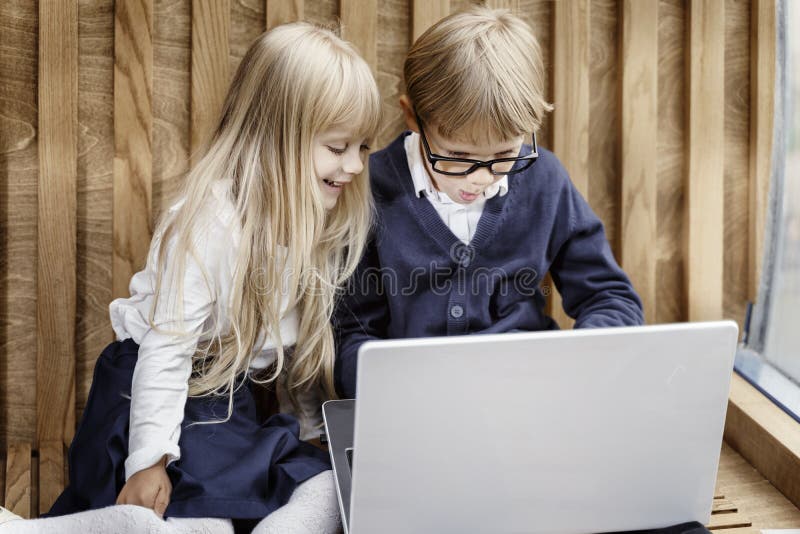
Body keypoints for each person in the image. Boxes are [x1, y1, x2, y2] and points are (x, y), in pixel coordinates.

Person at [0, 21, 379, 534]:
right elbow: (167, 349)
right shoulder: (213, 221)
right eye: (337, 148)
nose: (355, 165)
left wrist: (316, 432)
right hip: (153, 396)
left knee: (331, 485)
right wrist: (148, 461)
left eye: (362, 147)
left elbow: (302, 355)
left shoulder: (315, 218)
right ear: (275, 140)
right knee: (209, 522)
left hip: (227, 405)